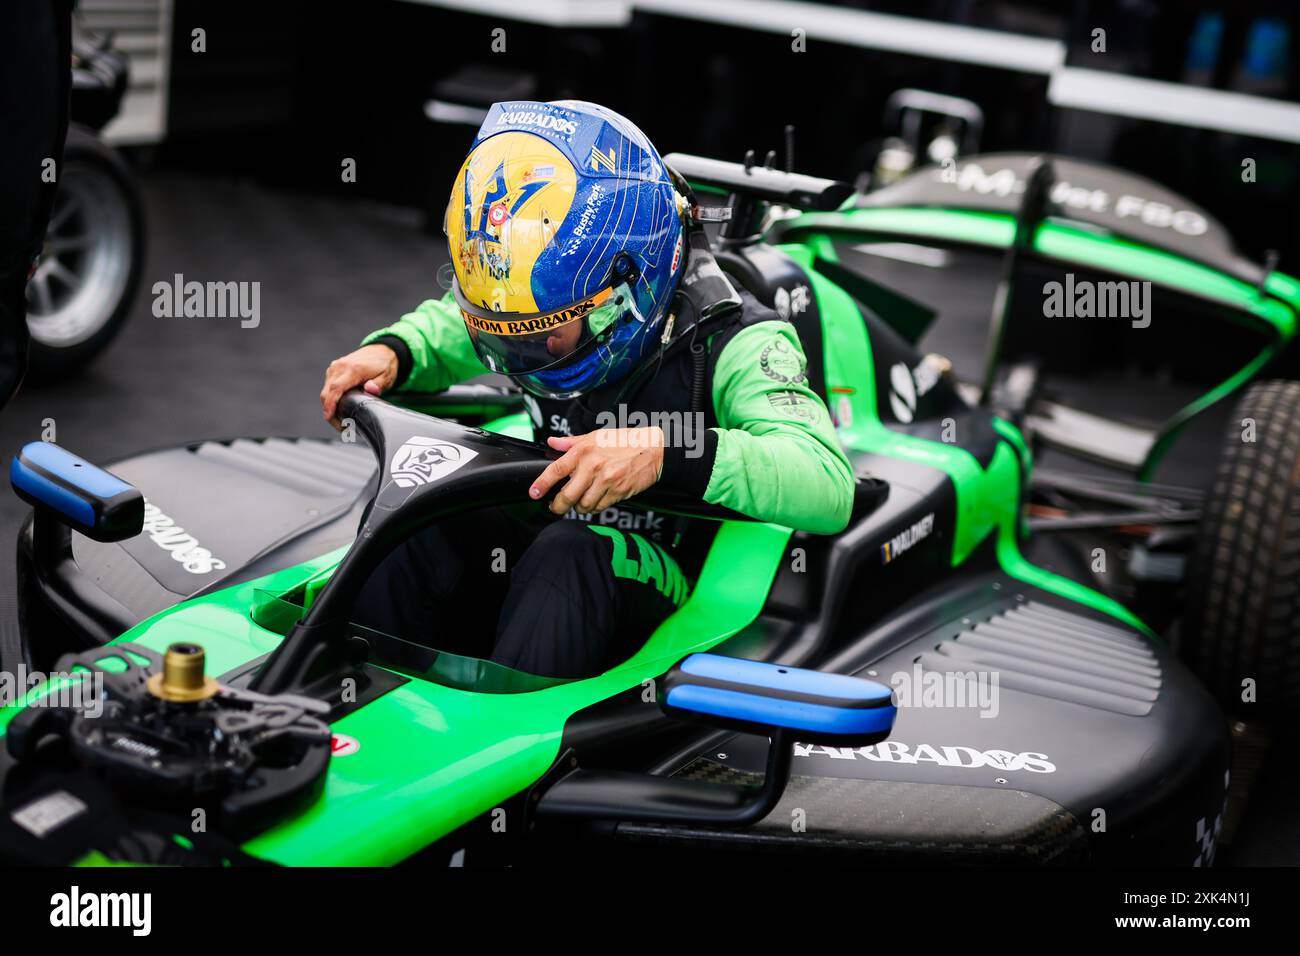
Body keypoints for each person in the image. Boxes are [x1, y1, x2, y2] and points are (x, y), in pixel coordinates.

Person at [320, 100, 853, 678]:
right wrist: (393, 350)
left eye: (546, 331)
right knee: (421, 519)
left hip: (671, 565)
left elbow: (826, 483)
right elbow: (452, 324)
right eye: (507, 330)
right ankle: (357, 692)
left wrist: (662, 454)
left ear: (628, 290)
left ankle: (511, 745)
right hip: (553, 519)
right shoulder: (541, 301)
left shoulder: (742, 340)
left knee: (569, 556)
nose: (525, 352)